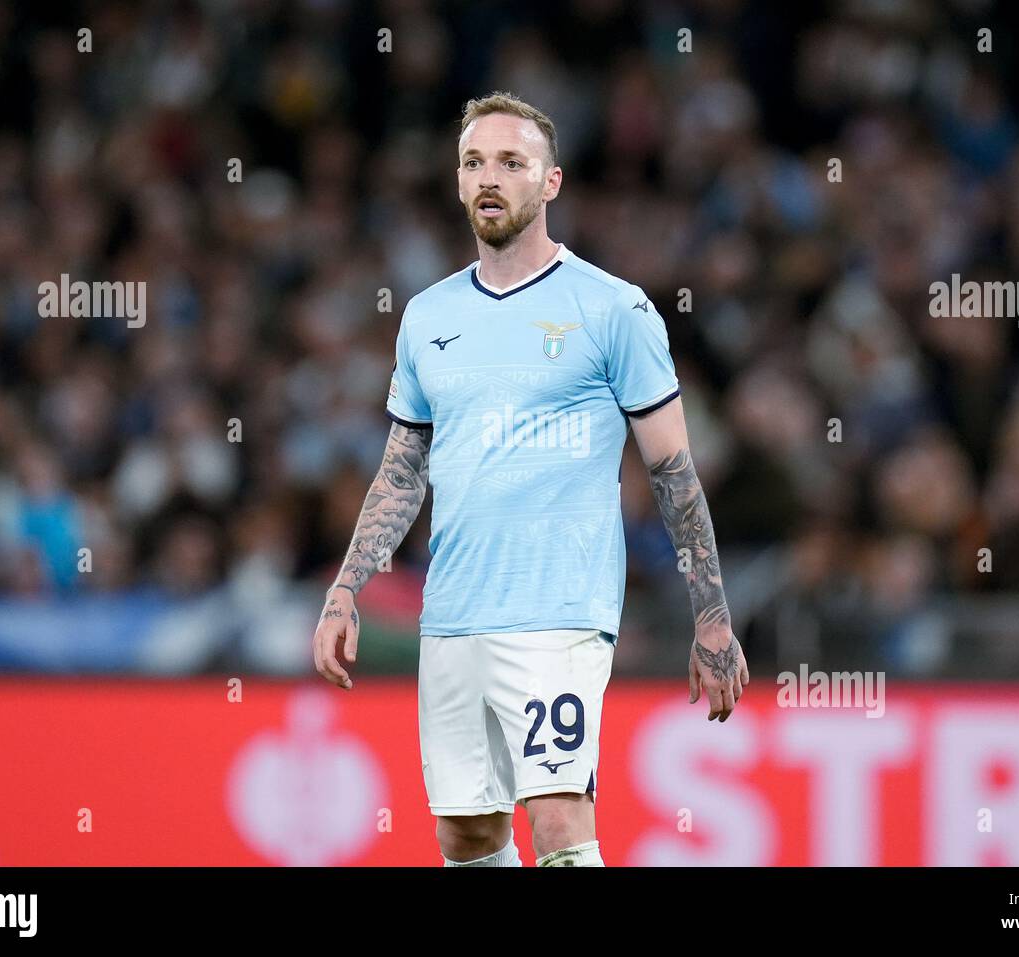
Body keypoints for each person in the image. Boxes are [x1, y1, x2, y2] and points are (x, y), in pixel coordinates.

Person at [313, 91, 747, 867]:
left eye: (512, 163)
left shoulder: (614, 309)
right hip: (453, 611)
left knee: (557, 818)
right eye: (475, 162)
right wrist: (346, 587)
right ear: (457, 182)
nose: (491, 177)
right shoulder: (427, 317)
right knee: (468, 832)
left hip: (560, 610)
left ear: (550, 182)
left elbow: (674, 472)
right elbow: (403, 467)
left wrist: (710, 617)